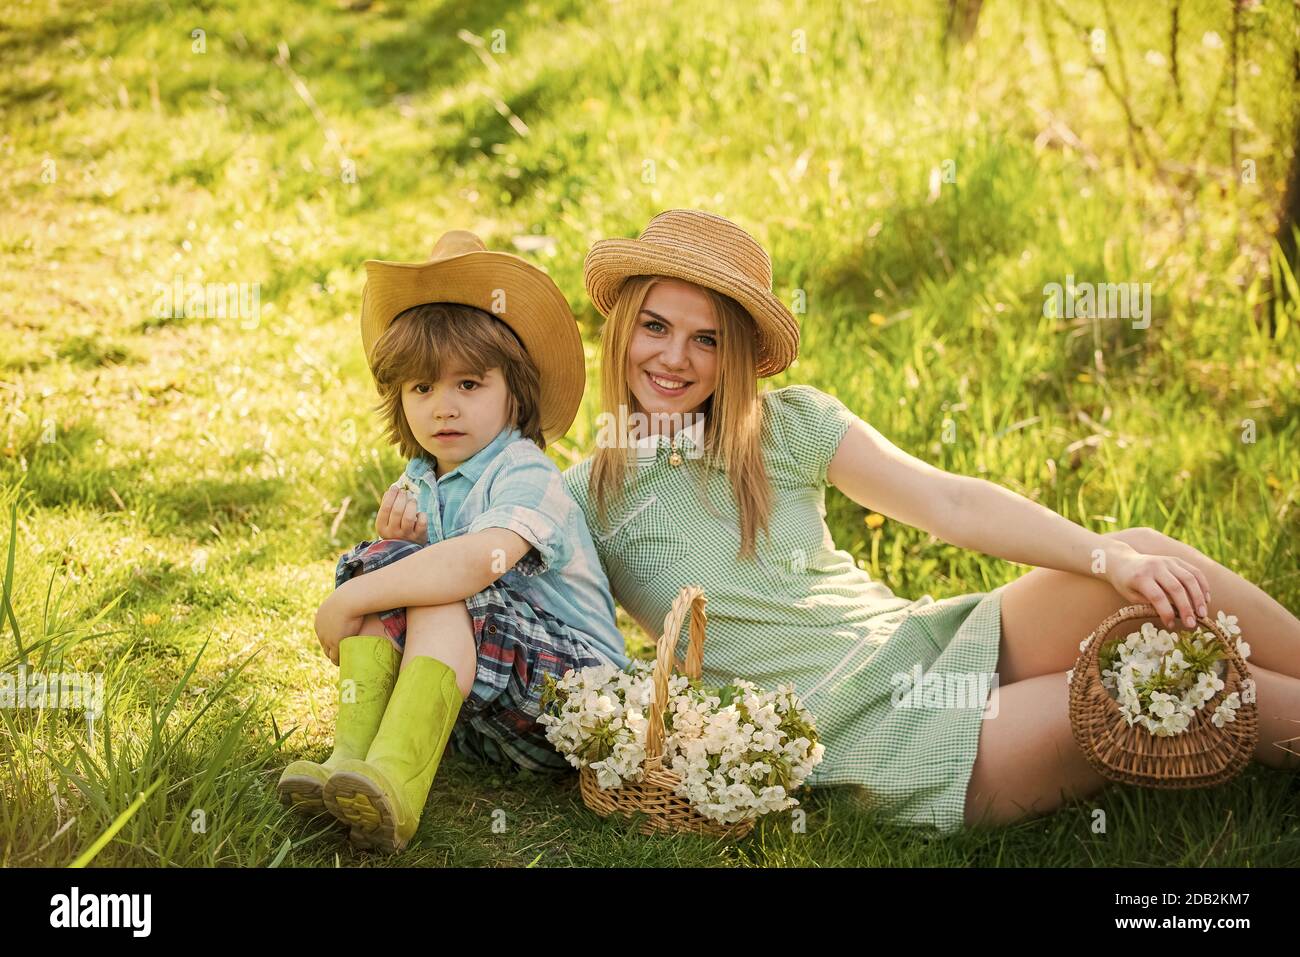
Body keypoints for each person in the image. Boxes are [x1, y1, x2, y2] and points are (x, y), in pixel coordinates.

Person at [562, 208, 1300, 835]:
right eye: (655, 326)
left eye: (707, 338)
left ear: (740, 356)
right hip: (867, 735)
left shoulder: (788, 425)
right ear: (623, 325)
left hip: (923, 641)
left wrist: (1108, 559)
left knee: (1147, 558)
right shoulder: (585, 496)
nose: (673, 357)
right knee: (1144, 681)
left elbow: (948, 501)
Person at [279, 230, 628, 852]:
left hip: (578, 703)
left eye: (469, 385)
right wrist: (393, 556)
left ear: (513, 391)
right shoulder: (420, 481)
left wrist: (348, 601)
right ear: (400, 399)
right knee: (391, 563)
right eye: (422, 388)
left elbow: (469, 567)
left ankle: (397, 784)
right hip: (483, 716)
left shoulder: (525, 470)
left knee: (438, 585)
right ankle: (351, 760)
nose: (444, 407)